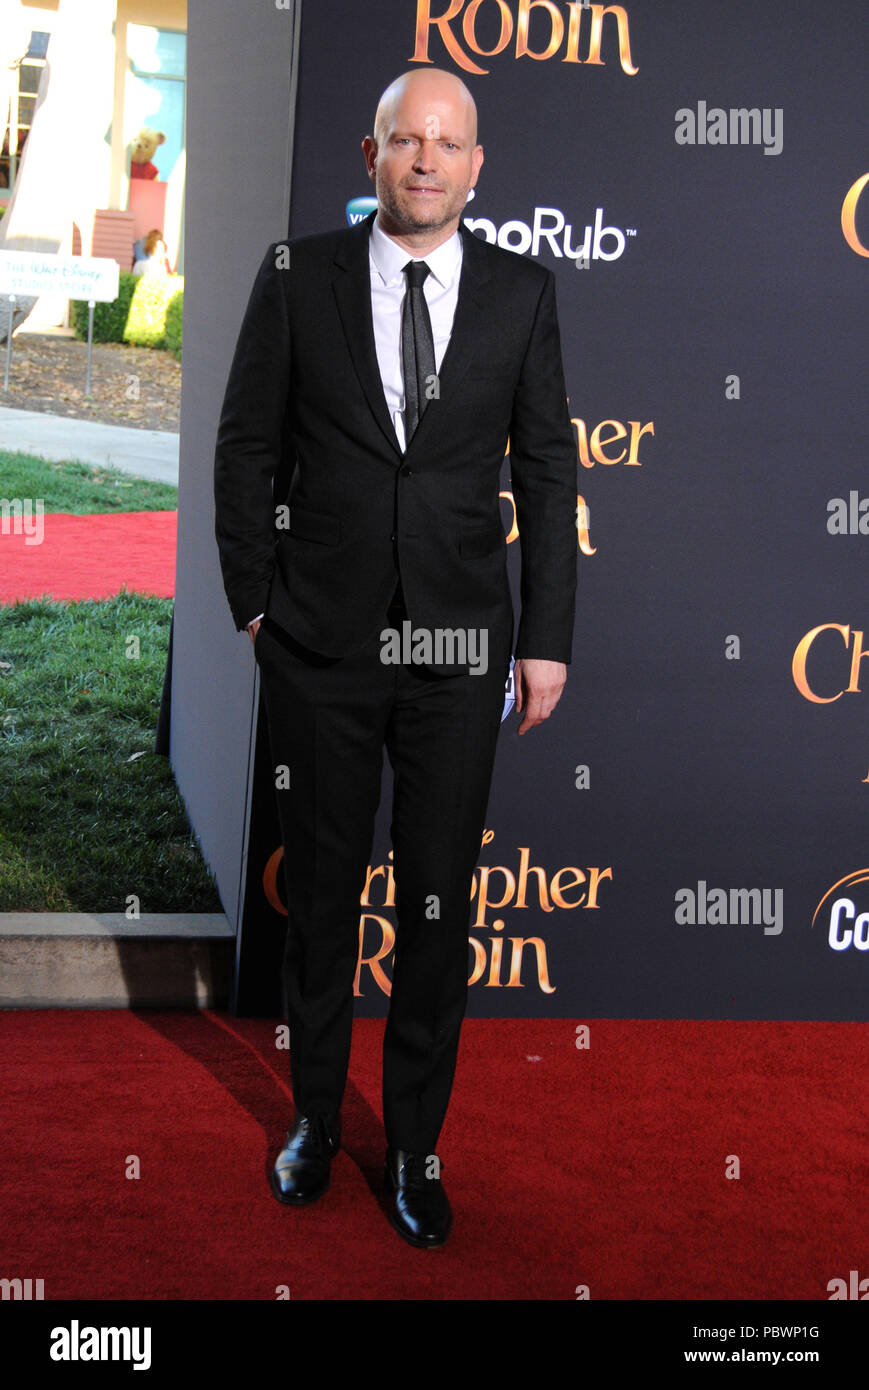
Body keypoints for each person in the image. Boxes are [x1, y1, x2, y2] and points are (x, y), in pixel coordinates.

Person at [213, 67, 577, 1248]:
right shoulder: (294, 277)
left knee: (435, 906)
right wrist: (254, 603)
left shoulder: (523, 292)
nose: (425, 160)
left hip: (460, 649)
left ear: (478, 167)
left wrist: (546, 640)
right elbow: (245, 444)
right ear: (369, 155)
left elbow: (546, 473)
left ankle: (414, 1146)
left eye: (448, 142)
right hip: (321, 642)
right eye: (405, 139)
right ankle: (316, 1121)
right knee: (320, 903)